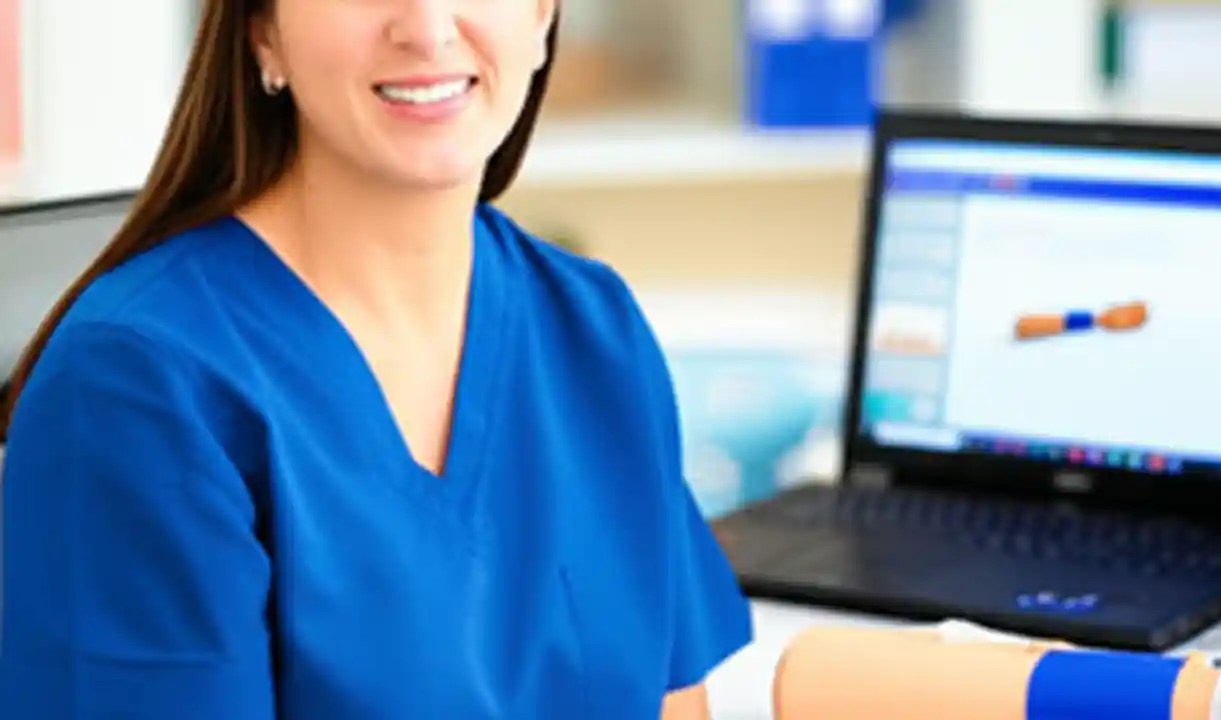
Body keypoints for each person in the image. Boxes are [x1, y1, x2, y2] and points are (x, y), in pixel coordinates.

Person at [0, 0, 753, 717]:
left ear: (542, 14)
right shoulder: (135, 389)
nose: (427, 30)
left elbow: (672, 701)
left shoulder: (594, 333)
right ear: (263, 31)